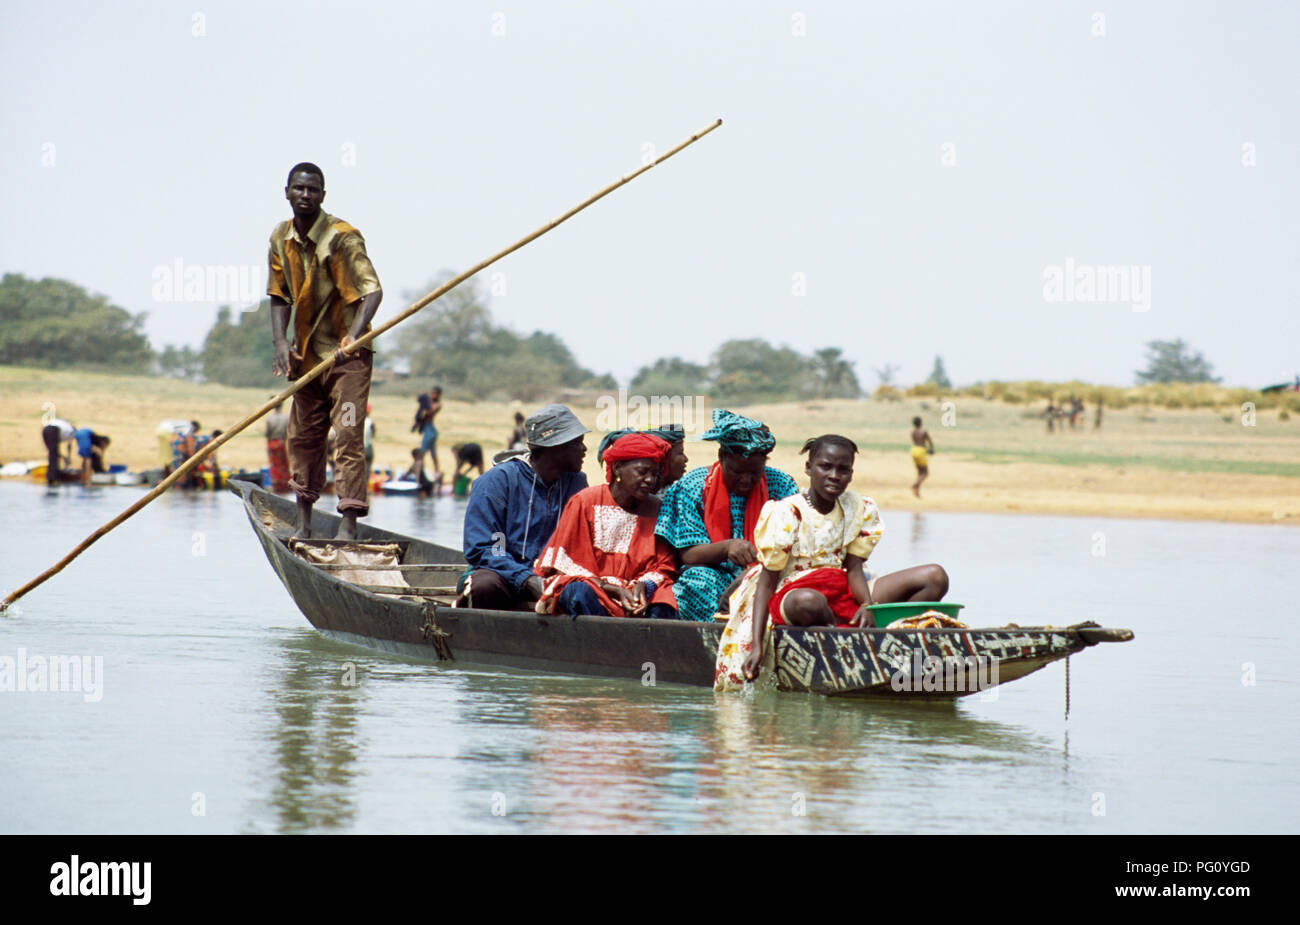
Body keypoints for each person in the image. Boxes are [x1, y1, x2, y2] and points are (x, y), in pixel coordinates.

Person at [715, 435, 950, 690]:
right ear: (808, 468)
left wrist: (868, 606)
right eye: (825, 467)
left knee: (935, 577)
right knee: (808, 601)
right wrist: (757, 646)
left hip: (841, 586)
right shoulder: (786, 512)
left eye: (843, 469)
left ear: (851, 473)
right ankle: (843, 640)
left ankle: (891, 637)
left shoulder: (858, 507)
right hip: (790, 591)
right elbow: (767, 582)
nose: (834, 475)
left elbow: (854, 570)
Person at [268, 161, 383, 540]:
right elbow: (278, 296)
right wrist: (281, 342)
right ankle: (304, 525)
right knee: (303, 438)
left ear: (322, 196)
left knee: (348, 433)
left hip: (346, 360)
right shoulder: (280, 237)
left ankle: (348, 525)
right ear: (287, 192)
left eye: (313, 190)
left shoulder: (342, 237)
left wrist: (352, 336)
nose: (305, 195)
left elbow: (372, 291)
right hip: (307, 360)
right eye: (299, 189)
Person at [655, 409, 798, 622]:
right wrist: (727, 547)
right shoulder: (694, 486)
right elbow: (688, 554)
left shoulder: (781, 486)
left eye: (754, 473)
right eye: (737, 472)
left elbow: (794, 544)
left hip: (768, 572)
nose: (746, 480)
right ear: (721, 457)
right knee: (696, 583)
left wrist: (754, 572)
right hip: (714, 575)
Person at [456, 404, 590, 611]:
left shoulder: (576, 483)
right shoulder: (497, 482)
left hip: (551, 574)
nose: (584, 449)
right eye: (578, 443)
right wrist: (526, 578)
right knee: (485, 586)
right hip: (501, 572)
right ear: (556, 447)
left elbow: (581, 540)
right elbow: (490, 548)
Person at [533, 433, 679, 618]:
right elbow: (565, 562)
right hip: (594, 587)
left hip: (635, 590)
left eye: (655, 474)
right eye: (643, 472)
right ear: (617, 468)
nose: (650, 480)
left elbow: (663, 564)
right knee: (577, 593)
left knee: (666, 598)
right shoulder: (585, 501)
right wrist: (610, 589)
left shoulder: (657, 509)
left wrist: (643, 586)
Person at [597, 424, 688, 495]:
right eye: (680, 453)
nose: (686, 459)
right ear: (664, 458)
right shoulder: (642, 501)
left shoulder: (676, 494)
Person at [413, 386, 443, 481]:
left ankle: (420, 475)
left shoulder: (437, 404)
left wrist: (426, 399)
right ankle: (434, 473)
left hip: (430, 431)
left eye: (434, 393)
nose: (432, 395)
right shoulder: (428, 401)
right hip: (427, 429)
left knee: (422, 454)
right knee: (433, 454)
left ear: (438, 395)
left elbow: (428, 412)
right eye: (432, 393)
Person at [40, 415, 76, 486]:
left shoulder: (66, 428)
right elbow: (69, 446)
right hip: (53, 430)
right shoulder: (72, 431)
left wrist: (62, 456)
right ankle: (53, 478)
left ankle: (51, 476)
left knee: (52, 454)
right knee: (53, 455)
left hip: (45, 430)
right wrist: (68, 457)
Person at [265, 402, 291, 492]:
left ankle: (276, 484)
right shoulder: (286, 417)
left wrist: (268, 445)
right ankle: (283, 484)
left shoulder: (269, 418)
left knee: (274, 464)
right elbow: (287, 432)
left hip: (272, 443)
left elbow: (268, 433)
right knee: (283, 464)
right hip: (281, 443)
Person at [910, 416, 934, 498]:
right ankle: (915, 485)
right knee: (925, 473)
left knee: (919, 473)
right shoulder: (924, 432)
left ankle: (917, 492)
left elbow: (914, 441)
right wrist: (931, 450)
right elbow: (930, 442)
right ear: (921, 422)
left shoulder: (913, 432)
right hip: (921, 451)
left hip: (914, 450)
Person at [363, 402, 376, 470]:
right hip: (368, 448)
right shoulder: (371, 422)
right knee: (367, 469)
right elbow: (373, 435)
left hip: (359, 448)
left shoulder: (358, 421)